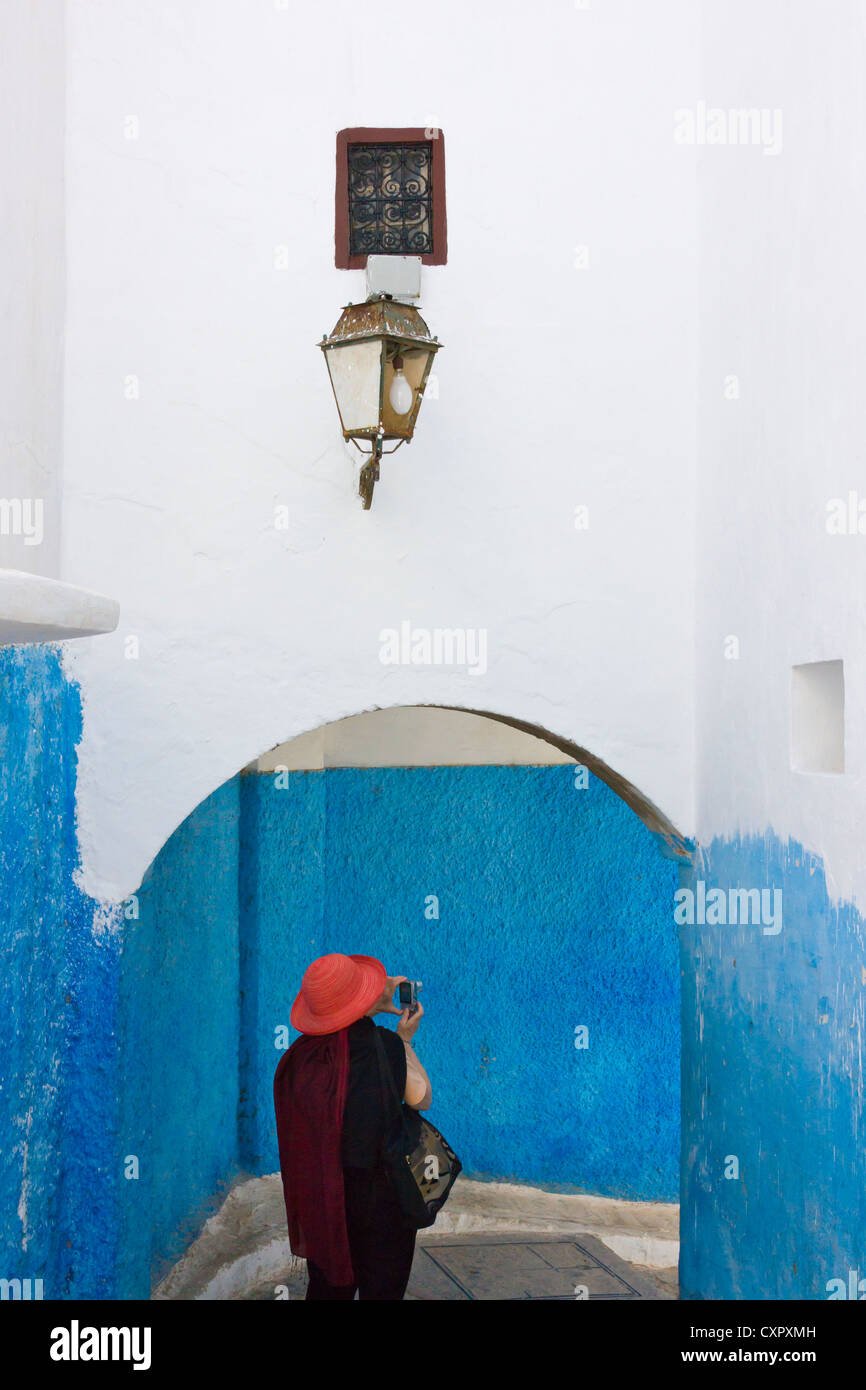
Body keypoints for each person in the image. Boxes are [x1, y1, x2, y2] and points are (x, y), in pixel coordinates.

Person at [273, 952, 432, 1300]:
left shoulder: (300, 1057)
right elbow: (422, 1098)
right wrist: (404, 1039)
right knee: (383, 1286)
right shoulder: (384, 1046)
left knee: (328, 1288)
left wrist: (369, 1004)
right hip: (381, 1200)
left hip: (324, 1196)